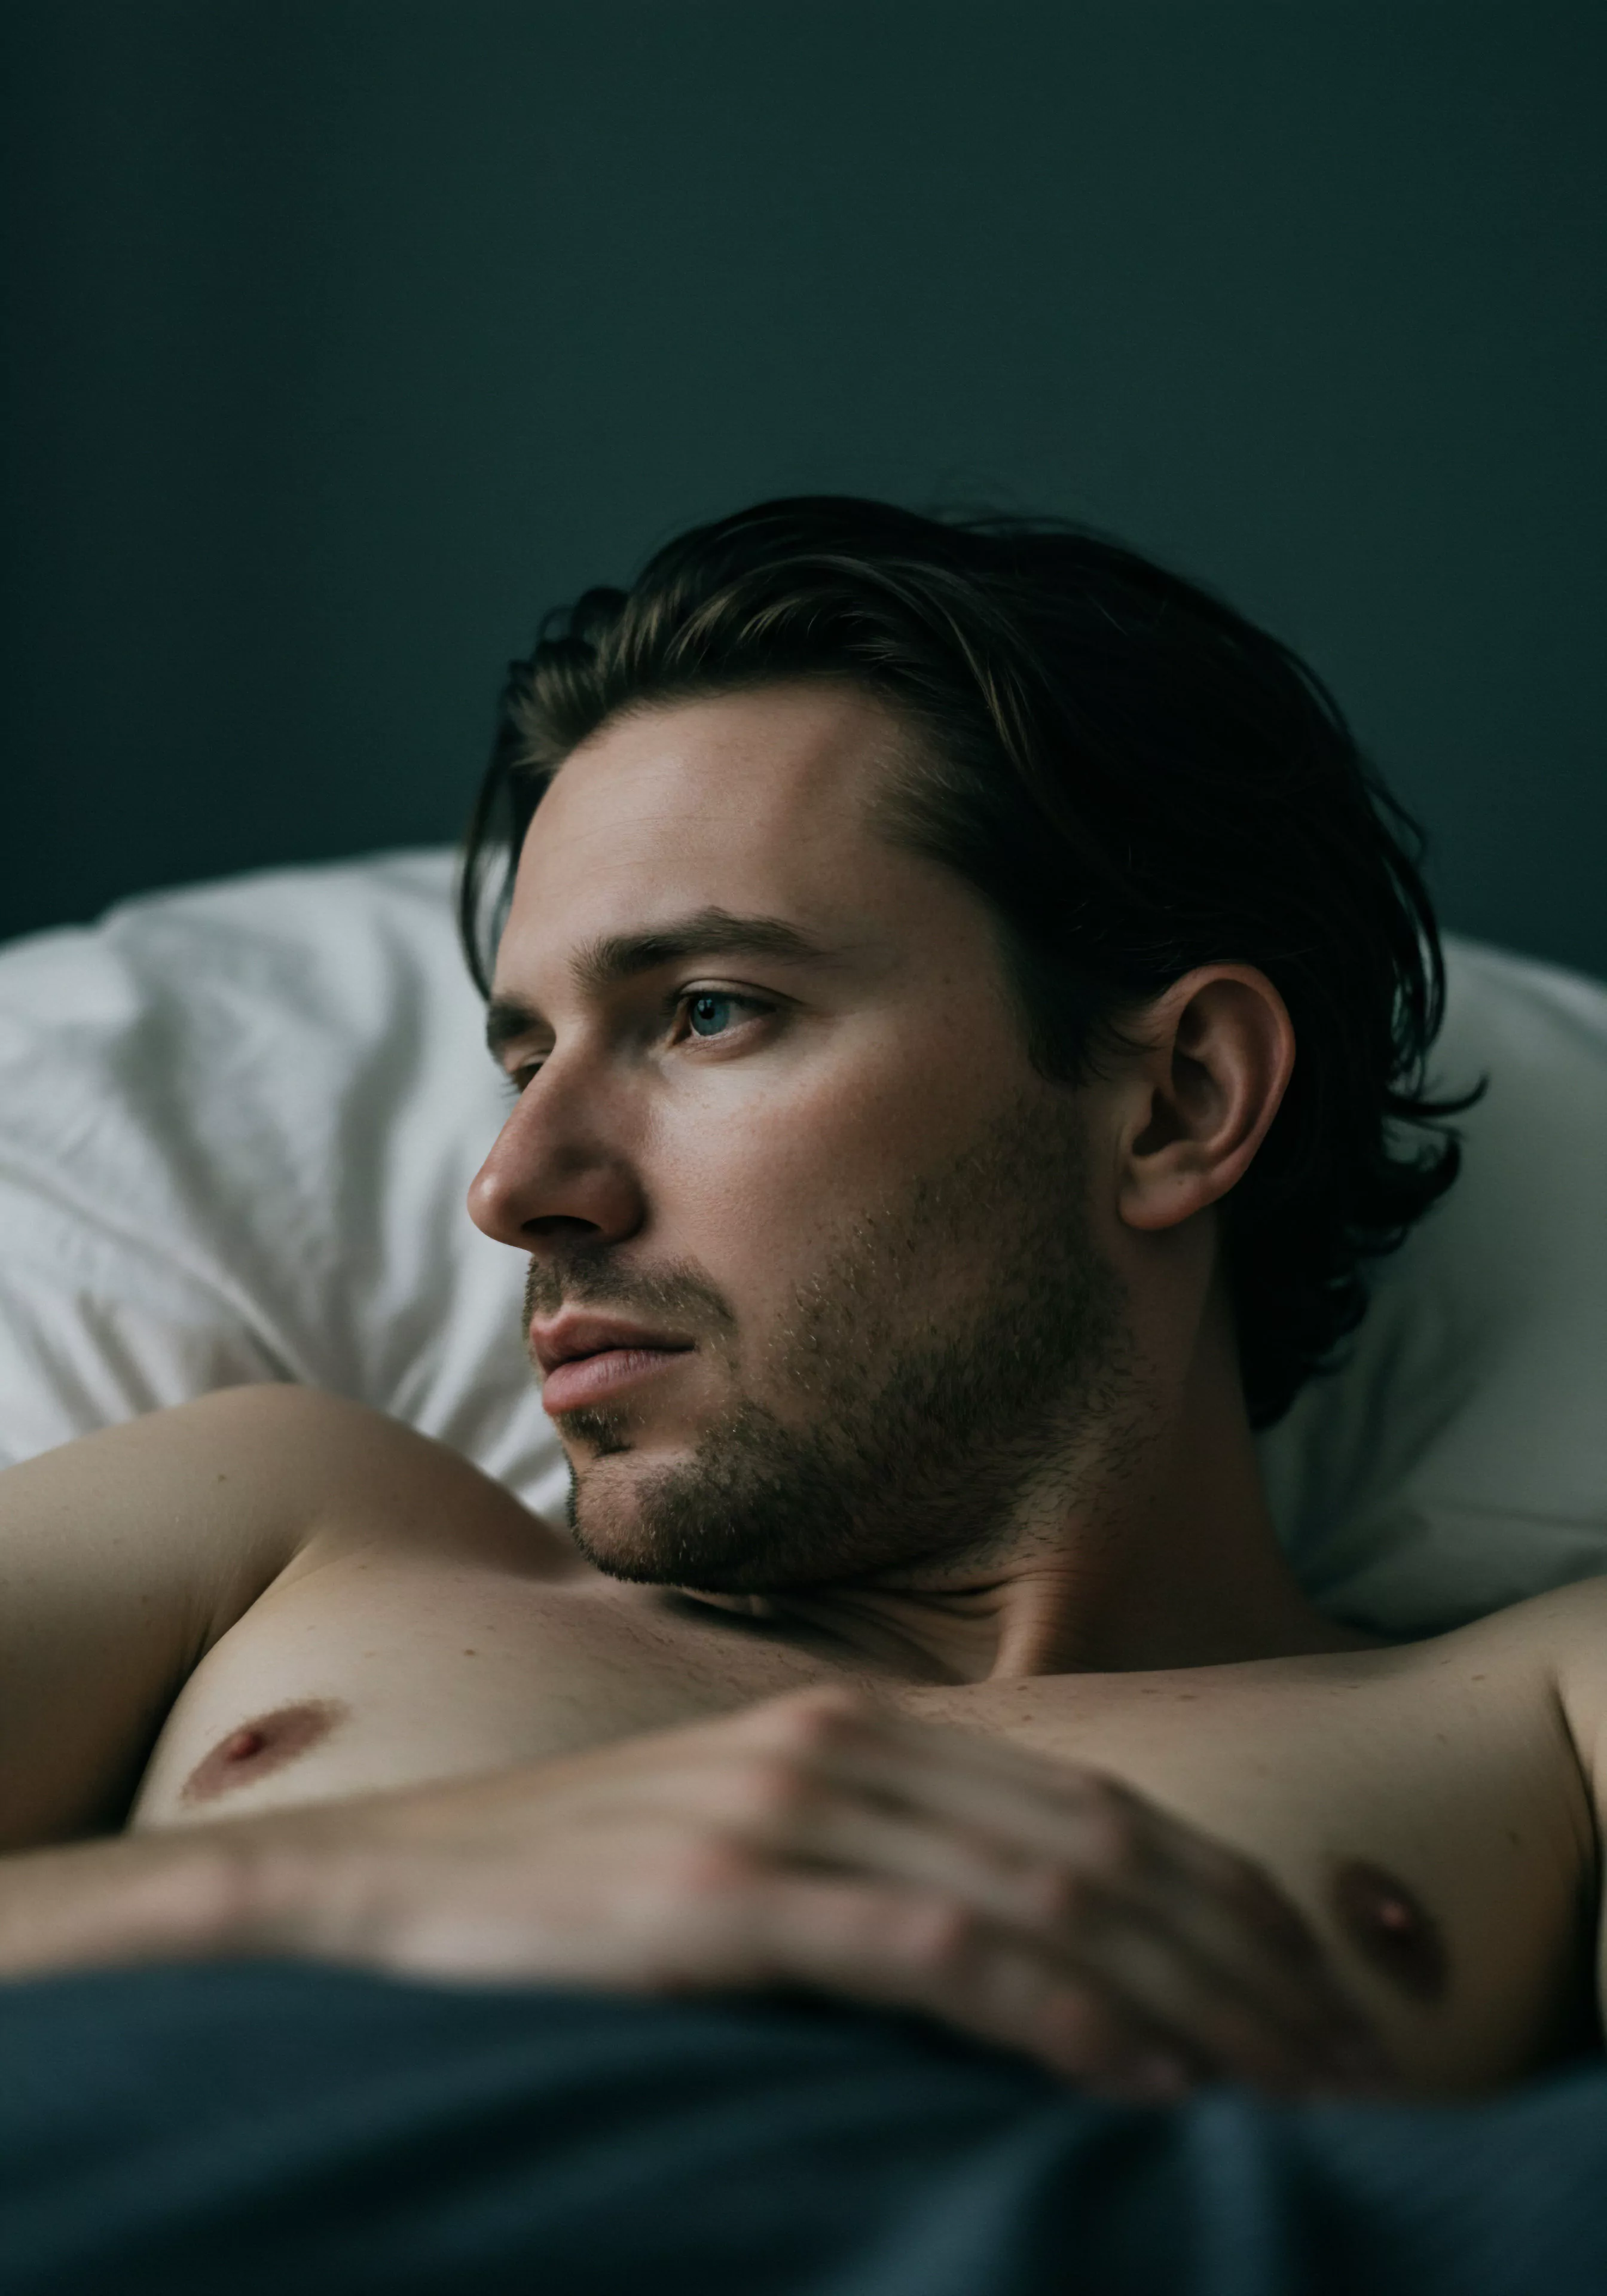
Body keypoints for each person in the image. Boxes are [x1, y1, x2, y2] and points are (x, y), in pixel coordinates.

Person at [1, 500, 1596, 2115]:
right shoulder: (284, 1519)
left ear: (1180, 1101)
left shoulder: (1537, 1720)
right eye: (527, 1057)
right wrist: (352, 1887)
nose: (514, 1186)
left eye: (705, 1013)